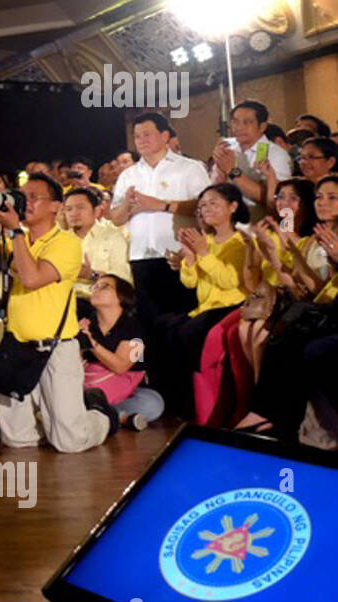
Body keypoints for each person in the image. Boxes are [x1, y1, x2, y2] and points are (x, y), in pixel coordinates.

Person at [0, 172, 115, 453]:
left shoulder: (66, 243)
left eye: (34, 197)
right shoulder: (15, 241)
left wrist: (15, 231)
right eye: (22, 196)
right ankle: (55, 419)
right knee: (18, 439)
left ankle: (101, 414)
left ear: (56, 206)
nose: (26, 203)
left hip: (56, 347)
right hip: (16, 346)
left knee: (70, 443)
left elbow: (32, 277)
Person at [150, 183, 251, 418]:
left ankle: (195, 406)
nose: (206, 208)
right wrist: (189, 255)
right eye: (203, 204)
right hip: (204, 307)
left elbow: (229, 281)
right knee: (161, 326)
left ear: (233, 206)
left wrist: (203, 253)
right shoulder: (206, 240)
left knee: (187, 333)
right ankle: (169, 400)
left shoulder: (242, 241)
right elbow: (190, 282)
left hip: (231, 306)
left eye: (213, 203)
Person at [110, 112, 212, 328]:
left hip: (179, 256)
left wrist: (161, 205)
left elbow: (205, 207)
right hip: (141, 258)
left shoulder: (189, 168)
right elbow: (116, 219)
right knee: (150, 324)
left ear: (165, 135)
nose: (141, 140)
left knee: (182, 321)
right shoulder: (128, 175)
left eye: (147, 134)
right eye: (137, 136)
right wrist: (128, 205)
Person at [78, 274, 163, 430]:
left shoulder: (135, 328)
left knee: (153, 403)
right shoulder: (86, 324)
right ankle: (119, 418)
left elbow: (121, 366)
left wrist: (91, 344)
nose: (96, 289)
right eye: (94, 286)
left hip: (127, 387)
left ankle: (100, 416)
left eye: (104, 286)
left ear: (121, 296)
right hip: (89, 386)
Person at [211, 99, 293, 221]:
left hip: (260, 224)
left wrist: (232, 171)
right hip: (229, 224)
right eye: (235, 122)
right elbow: (215, 188)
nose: (239, 127)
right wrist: (219, 172)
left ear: (262, 126)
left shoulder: (275, 153)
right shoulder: (228, 147)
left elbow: (274, 199)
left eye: (247, 122)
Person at [62, 186, 131, 316]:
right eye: (68, 209)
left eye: (80, 208)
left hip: (98, 305)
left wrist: (92, 275)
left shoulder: (113, 237)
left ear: (96, 211)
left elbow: (123, 281)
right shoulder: (60, 241)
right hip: (63, 303)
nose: (73, 213)